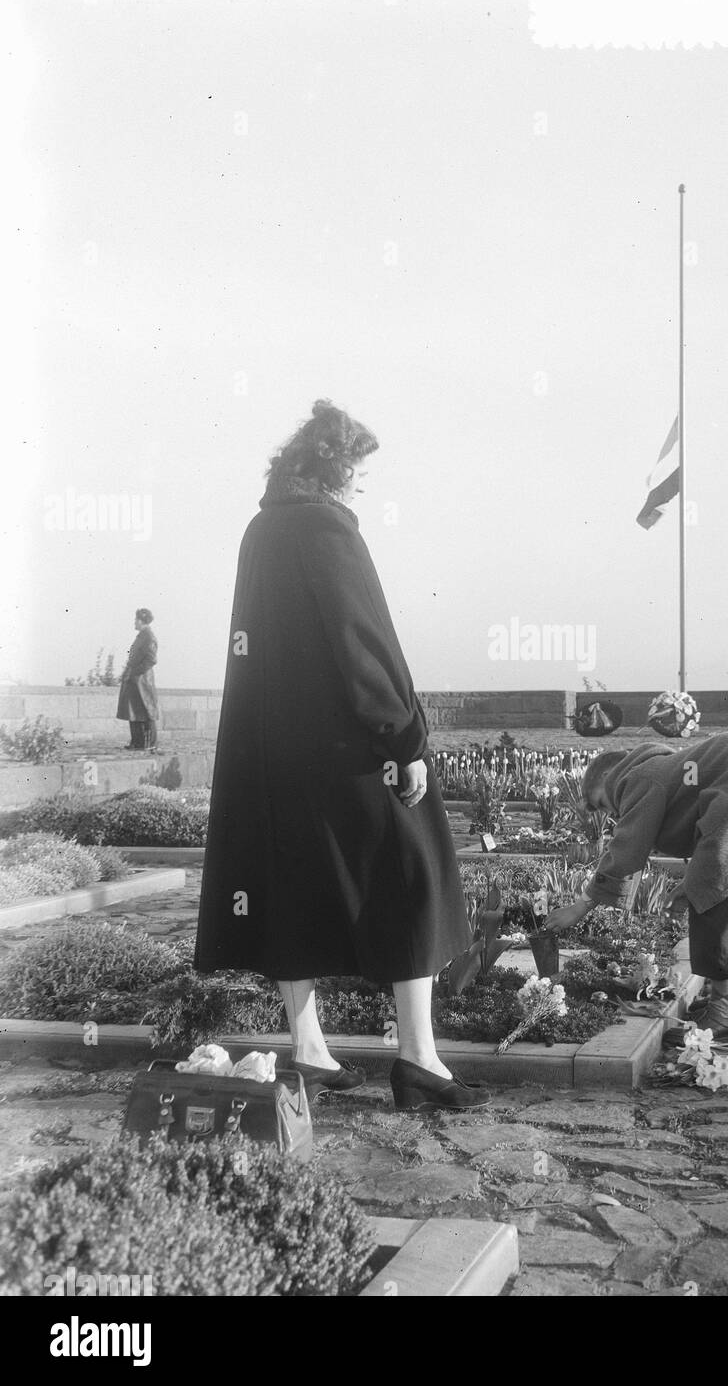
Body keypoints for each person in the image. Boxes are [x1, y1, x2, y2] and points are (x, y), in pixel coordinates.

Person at [194, 400, 488, 1112]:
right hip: (346, 751)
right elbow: (362, 643)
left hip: (275, 756)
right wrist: (404, 742)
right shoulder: (327, 527)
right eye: (357, 470)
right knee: (413, 874)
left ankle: (311, 1052)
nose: (362, 486)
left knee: (292, 882)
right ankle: (417, 1058)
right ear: (332, 469)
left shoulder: (261, 530)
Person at [542, 732, 728, 1038]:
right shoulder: (663, 771)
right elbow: (699, 823)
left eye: (601, 802)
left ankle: (726, 1015)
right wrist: (691, 881)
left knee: (712, 891)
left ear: (610, 775)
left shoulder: (637, 778)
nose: (611, 814)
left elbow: (626, 849)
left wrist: (580, 905)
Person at [116, 608, 159, 752]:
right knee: (134, 712)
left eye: (136, 620)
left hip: (142, 681)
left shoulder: (148, 637)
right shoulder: (142, 636)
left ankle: (147, 744)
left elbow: (151, 660)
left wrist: (135, 672)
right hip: (136, 680)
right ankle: (137, 742)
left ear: (142, 621)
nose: (134, 622)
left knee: (145, 712)